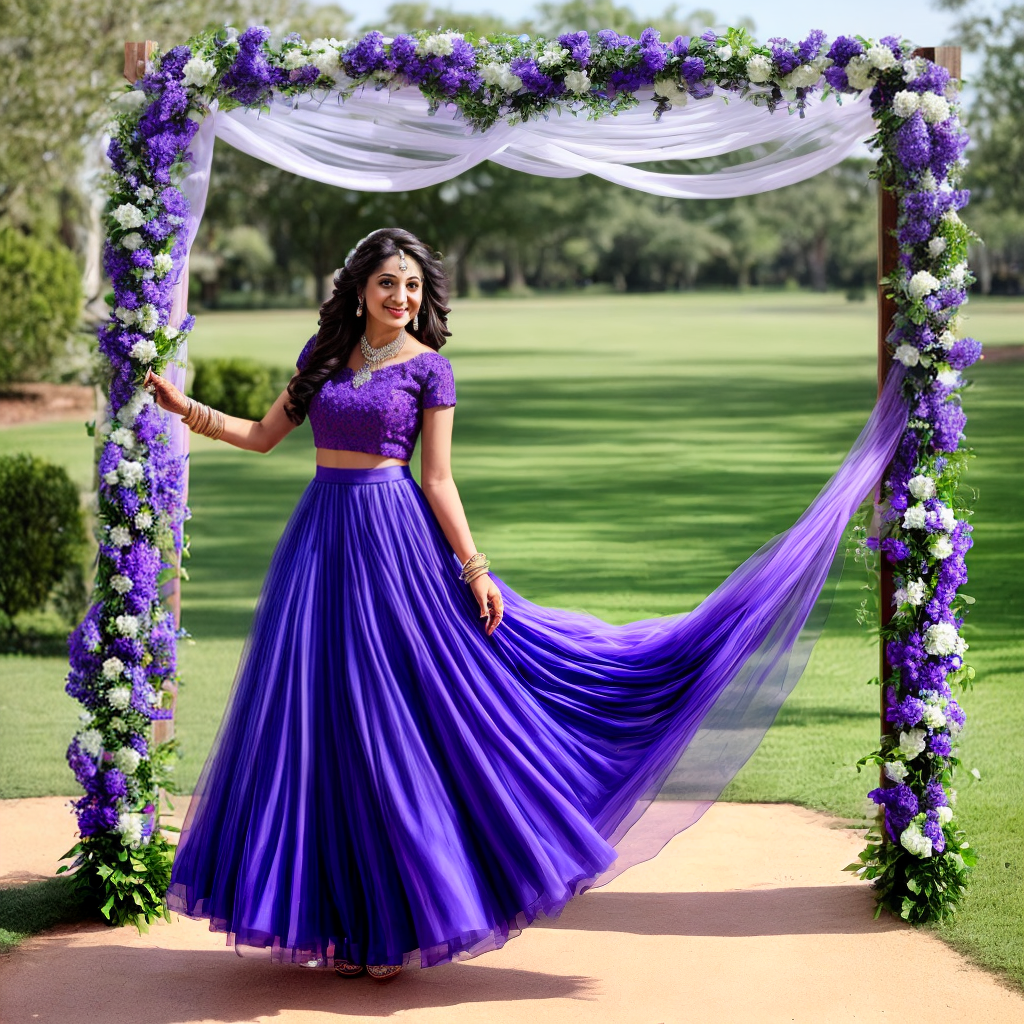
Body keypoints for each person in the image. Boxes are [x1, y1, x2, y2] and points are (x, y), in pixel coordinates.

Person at [150, 226, 907, 979]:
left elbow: (437, 479)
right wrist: (187, 410)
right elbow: (261, 435)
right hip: (319, 547)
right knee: (322, 724)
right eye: (388, 283)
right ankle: (341, 928)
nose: (402, 296)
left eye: (413, 285)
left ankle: (394, 928)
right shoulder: (321, 356)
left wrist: (475, 569)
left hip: (395, 549)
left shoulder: (430, 369)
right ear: (359, 288)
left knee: (395, 722)